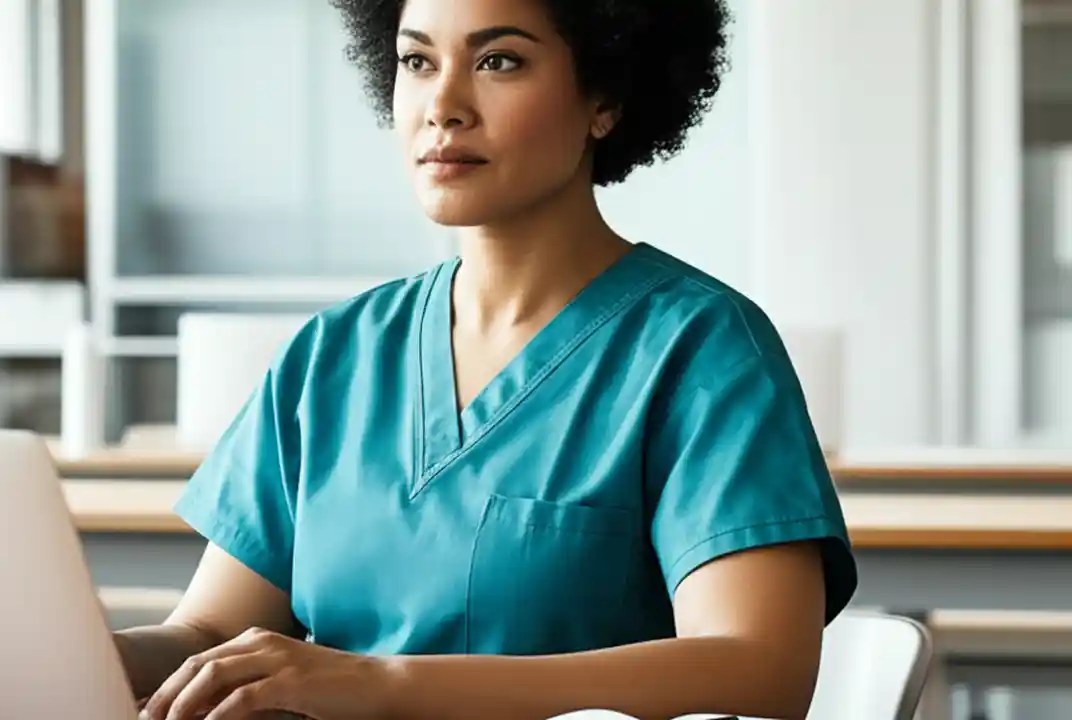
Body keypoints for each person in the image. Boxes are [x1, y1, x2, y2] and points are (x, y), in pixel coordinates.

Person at [116, 0, 858, 717]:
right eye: (416, 60)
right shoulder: (331, 355)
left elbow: (759, 668)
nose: (443, 105)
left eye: (498, 61)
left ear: (605, 94)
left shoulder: (701, 350)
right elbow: (210, 634)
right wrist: (79, 653)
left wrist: (382, 687)